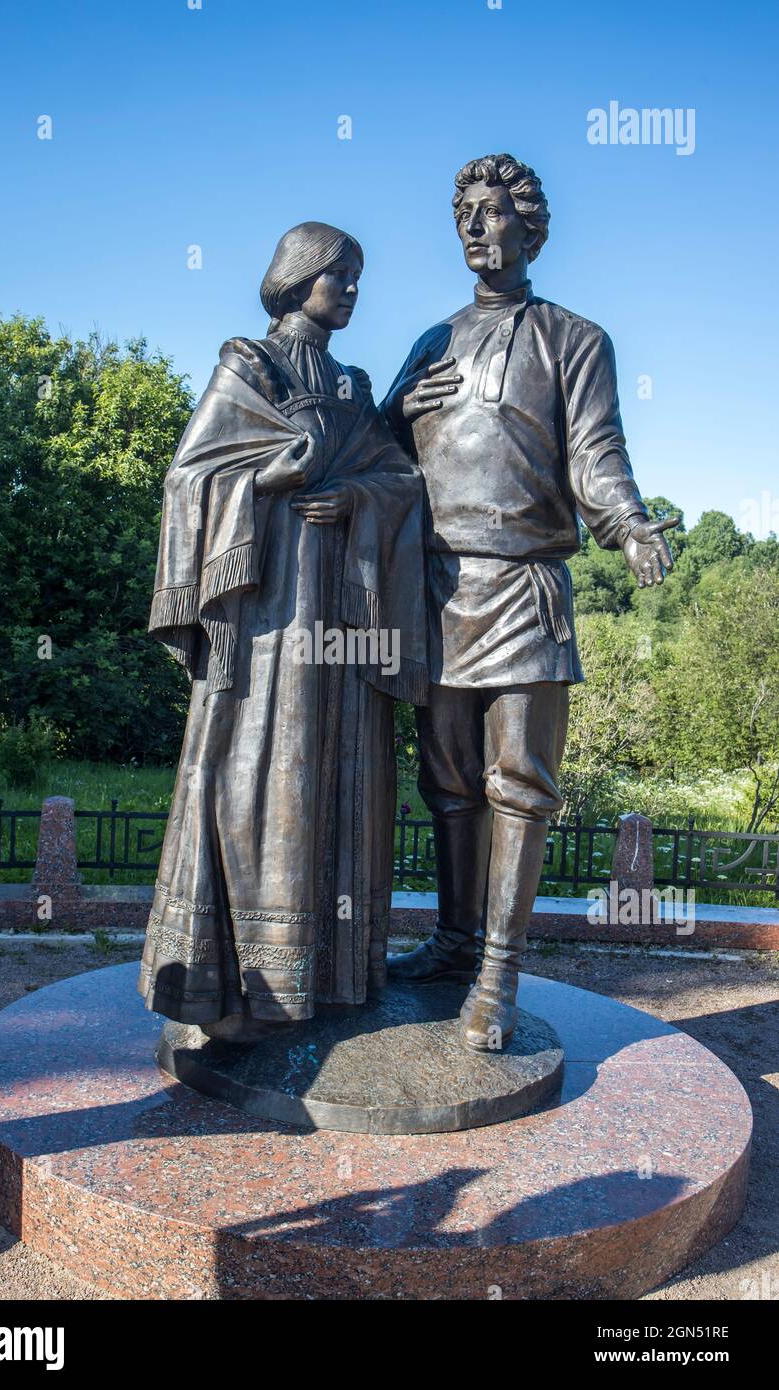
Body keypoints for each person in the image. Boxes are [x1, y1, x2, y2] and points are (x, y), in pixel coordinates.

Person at [382, 155, 678, 1052]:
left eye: (494, 212)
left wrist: (628, 525)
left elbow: (596, 452)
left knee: (519, 785)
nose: (476, 226)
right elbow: (381, 455)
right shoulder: (431, 341)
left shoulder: (573, 339)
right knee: (448, 785)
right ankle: (454, 941)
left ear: (531, 227)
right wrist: (396, 414)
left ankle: (498, 976)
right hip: (438, 588)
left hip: (523, 585)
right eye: (464, 211)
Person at [139, 222, 428, 1040]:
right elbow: (189, 477)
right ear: (299, 278)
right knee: (255, 768)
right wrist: (271, 474)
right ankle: (233, 987)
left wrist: (357, 501)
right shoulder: (248, 365)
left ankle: (332, 976)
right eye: (341, 276)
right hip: (265, 623)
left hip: (342, 613)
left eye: (357, 277)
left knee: (337, 771)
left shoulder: (352, 383)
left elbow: (398, 477)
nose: (352, 291)